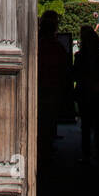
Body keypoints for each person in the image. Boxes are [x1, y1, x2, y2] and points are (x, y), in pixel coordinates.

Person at [73, 25, 99, 161]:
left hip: (85, 94)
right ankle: (98, 153)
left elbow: (74, 75)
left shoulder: (80, 56)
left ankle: (86, 155)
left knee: (86, 126)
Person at [37, 10, 70, 159]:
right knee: (47, 120)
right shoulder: (56, 47)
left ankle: (43, 148)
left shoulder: (38, 45)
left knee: (44, 121)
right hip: (49, 88)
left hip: (42, 87)